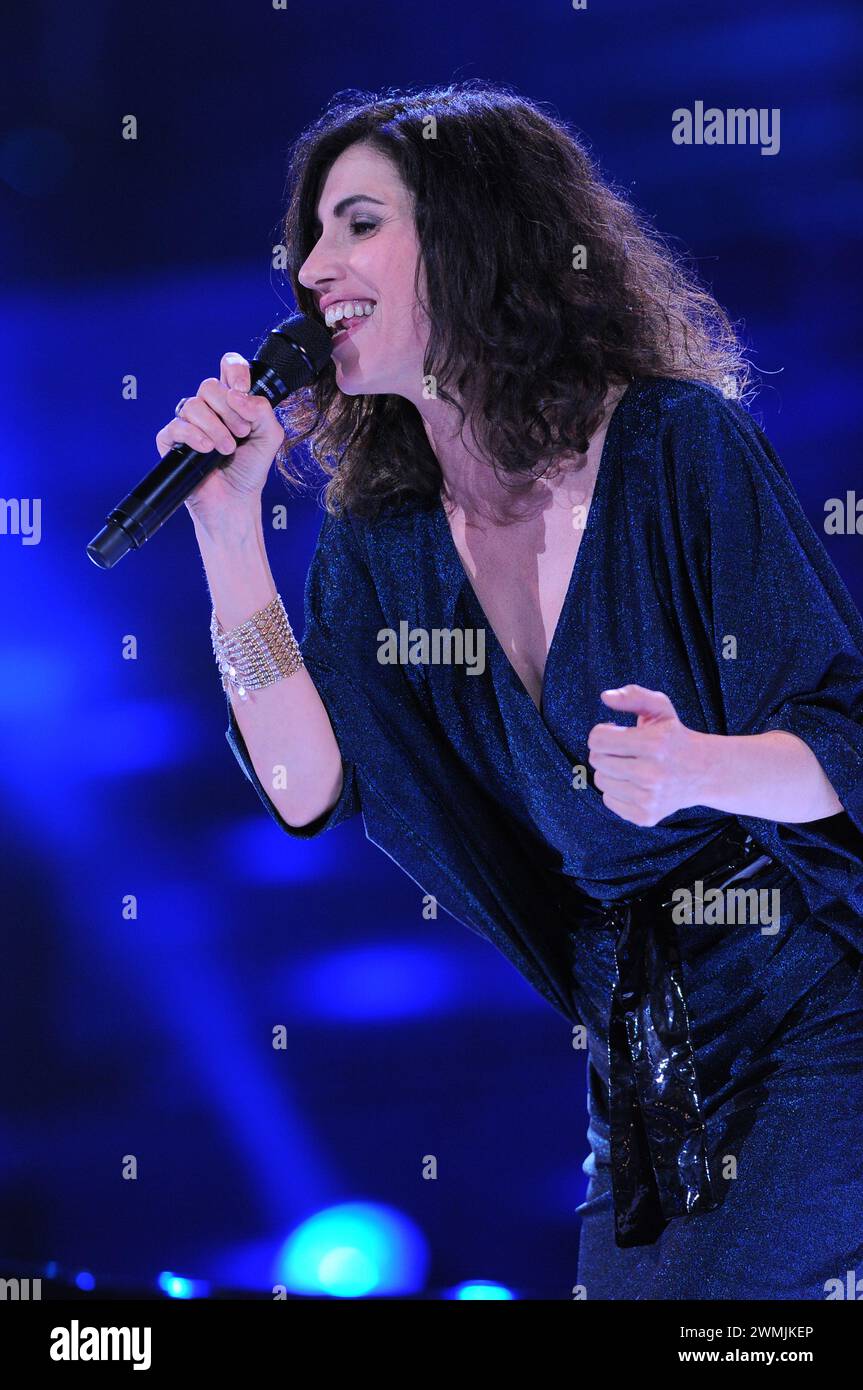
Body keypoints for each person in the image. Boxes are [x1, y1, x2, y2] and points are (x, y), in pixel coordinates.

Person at [156, 82, 863, 1300]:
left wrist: (701, 767)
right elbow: (302, 784)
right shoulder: (384, 541)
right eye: (311, 235)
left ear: (475, 233)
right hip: (644, 1057)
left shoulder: (671, 445)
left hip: (812, 1003)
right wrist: (228, 539)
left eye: (357, 223)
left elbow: (844, 735)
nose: (314, 265)